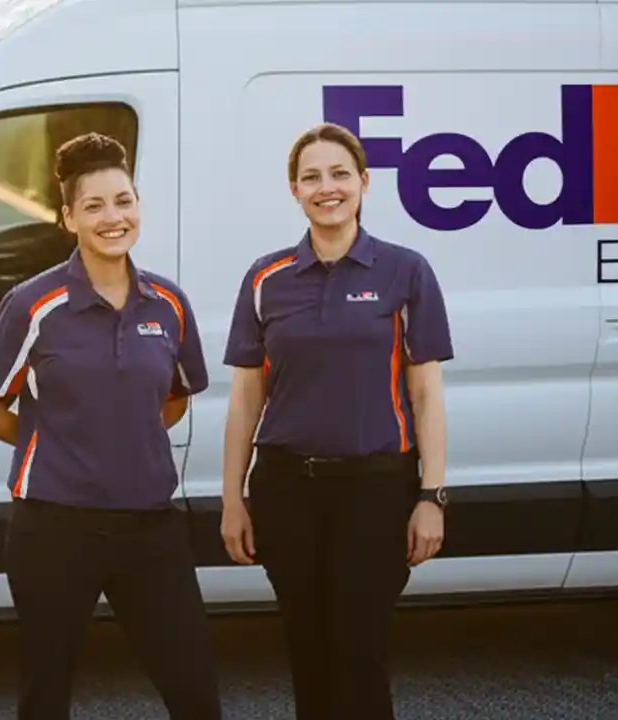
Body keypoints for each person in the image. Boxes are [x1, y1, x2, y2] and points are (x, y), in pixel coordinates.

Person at [0, 132, 222, 720]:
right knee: (45, 694)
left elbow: (174, 399)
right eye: (95, 206)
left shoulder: (168, 304)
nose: (114, 217)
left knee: (194, 691)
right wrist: (62, 445)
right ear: (68, 219)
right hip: (53, 530)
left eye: (124, 201)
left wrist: (121, 438)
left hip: (150, 528)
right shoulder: (33, 305)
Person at [219, 122, 454, 720]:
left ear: (364, 183)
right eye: (312, 177)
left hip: (375, 491)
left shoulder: (405, 273)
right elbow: (246, 398)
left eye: (340, 174)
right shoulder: (265, 279)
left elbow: (425, 394)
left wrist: (432, 495)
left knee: (360, 653)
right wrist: (232, 500)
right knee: (308, 650)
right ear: (293, 190)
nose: (327, 187)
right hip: (286, 491)